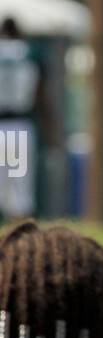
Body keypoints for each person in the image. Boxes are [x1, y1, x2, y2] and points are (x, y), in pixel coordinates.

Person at [0, 17, 40, 220]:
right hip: (20, 124)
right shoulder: (28, 52)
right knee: (20, 192)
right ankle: (21, 245)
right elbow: (39, 91)